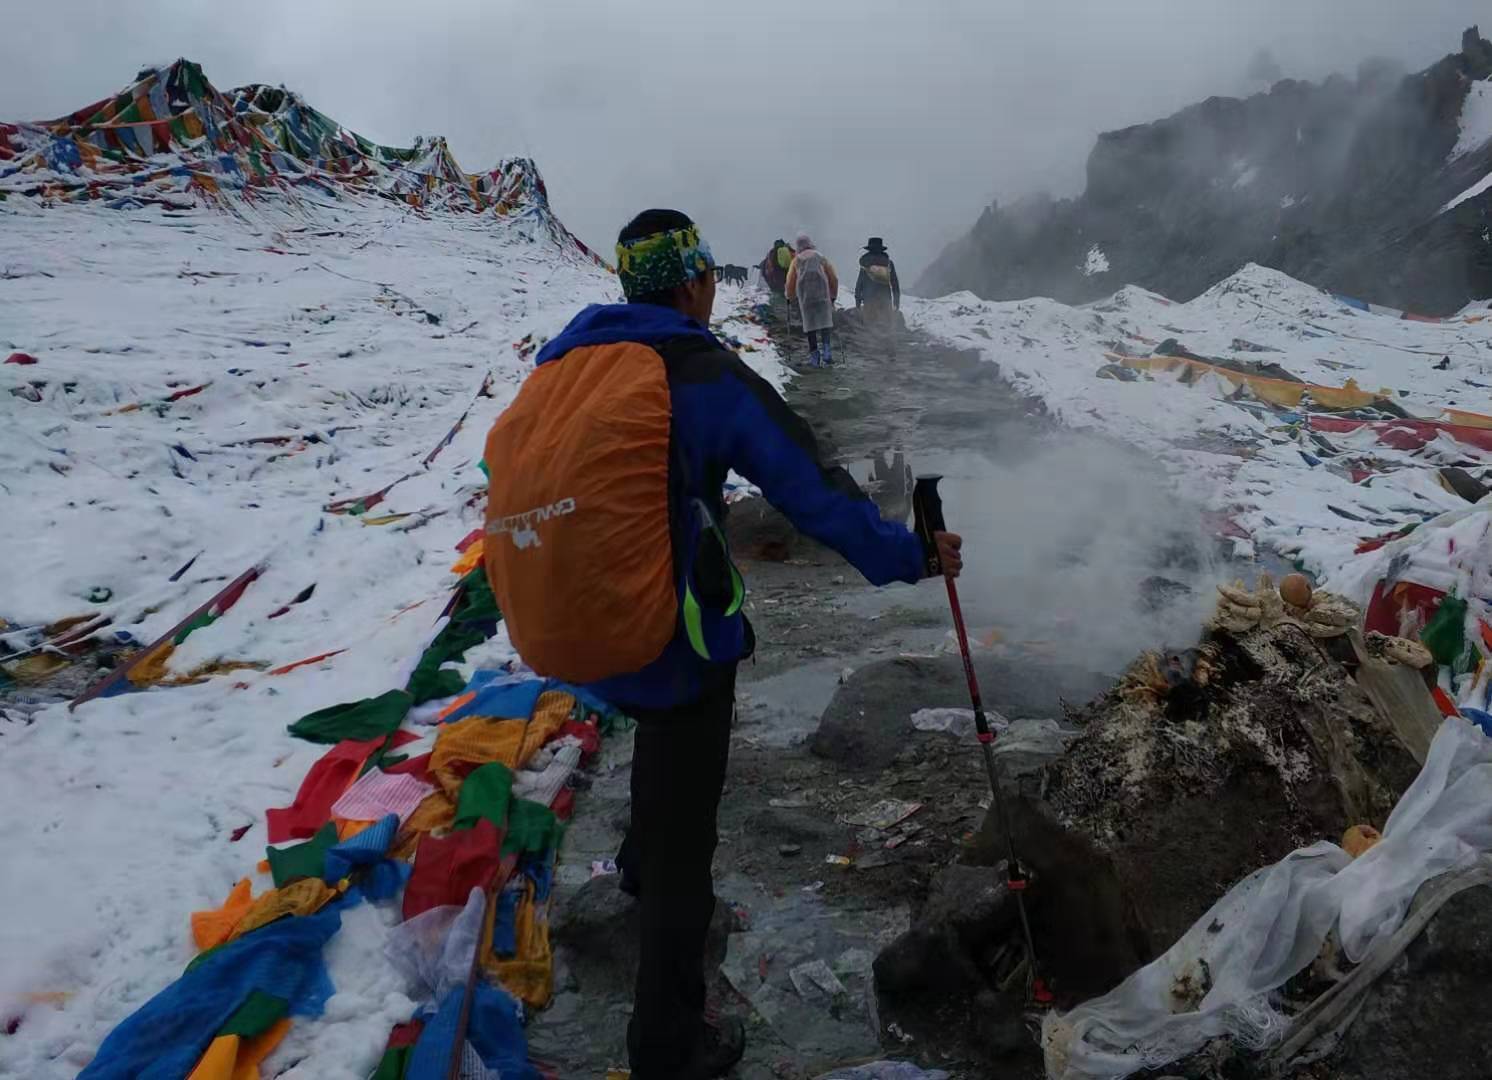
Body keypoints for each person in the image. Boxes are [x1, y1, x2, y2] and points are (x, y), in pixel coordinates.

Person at [482, 208, 963, 1080]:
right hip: (672, 645)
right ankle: (668, 1043)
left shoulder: (565, 367)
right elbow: (807, 486)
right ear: (696, 281)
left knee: (654, 755)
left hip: (578, 627)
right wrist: (911, 556)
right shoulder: (698, 372)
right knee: (685, 848)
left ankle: (634, 865)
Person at [784, 233, 839, 367]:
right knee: (825, 323)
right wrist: (833, 295)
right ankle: (827, 352)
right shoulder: (820, 257)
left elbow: (790, 281)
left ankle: (815, 357)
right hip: (822, 295)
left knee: (810, 327)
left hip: (806, 298)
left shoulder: (796, 261)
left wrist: (790, 297)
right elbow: (833, 277)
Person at [854, 236, 901, 331]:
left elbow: (859, 283)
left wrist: (858, 301)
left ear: (869, 249)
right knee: (886, 329)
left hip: (869, 301)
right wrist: (896, 301)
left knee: (869, 329)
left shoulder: (865, 264)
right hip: (885, 300)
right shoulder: (888, 263)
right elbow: (894, 283)